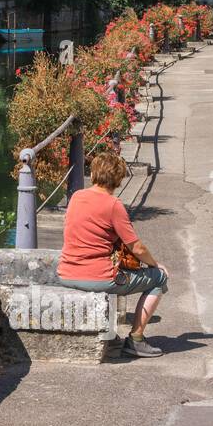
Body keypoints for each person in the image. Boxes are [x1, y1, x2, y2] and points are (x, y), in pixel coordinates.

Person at [57, 152, 168, 357]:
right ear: (118, 179)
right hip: (97, 277)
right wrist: (155, 265)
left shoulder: (76, 197)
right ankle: (136, 339)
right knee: (159, 279)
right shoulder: (113, 205)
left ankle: (110, 335)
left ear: (94, 173)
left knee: (111, 271)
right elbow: (137, 248)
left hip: (66, 273)